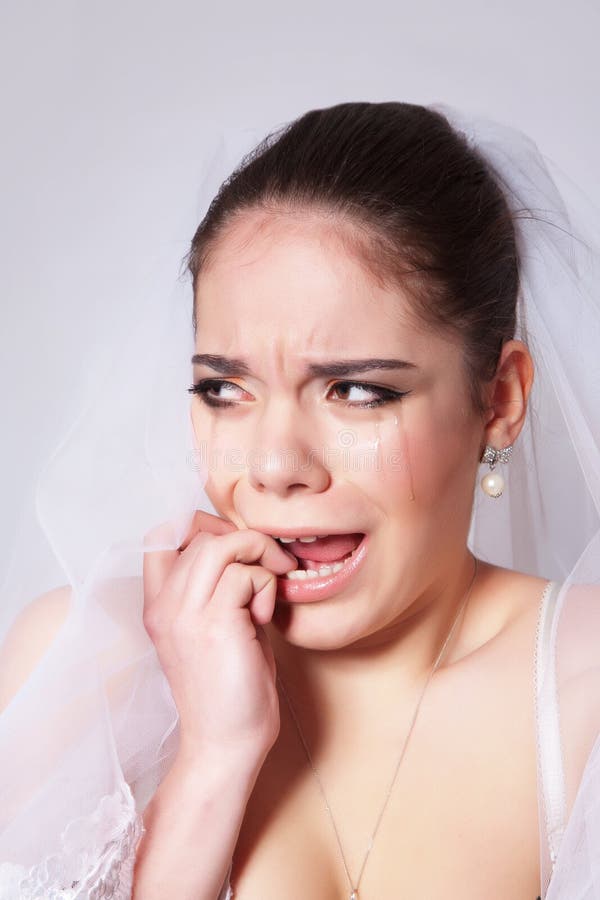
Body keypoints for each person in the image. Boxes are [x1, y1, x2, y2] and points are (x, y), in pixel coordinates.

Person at [0, 101, 599, 900]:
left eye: (355, 390)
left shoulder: (582, 685)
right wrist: (214, 762)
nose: (275, 467)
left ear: (498, 398)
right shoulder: (81, 674)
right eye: (224, 389)